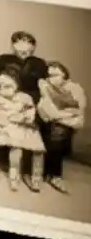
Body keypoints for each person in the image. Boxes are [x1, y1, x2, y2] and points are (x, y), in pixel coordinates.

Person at [0, 70, 46, 192]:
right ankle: (9, 174)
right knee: (10, 146)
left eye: (8, 86)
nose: (3, 89)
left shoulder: (24, 98)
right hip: (0, 123)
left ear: (17, 85)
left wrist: (26, 118)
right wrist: (1, 121)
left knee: (38, 149)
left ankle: (36, 178)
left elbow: (30, 113)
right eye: (1, 86)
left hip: (21, 125)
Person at [37, 62, 86, 193]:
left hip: (67, 122)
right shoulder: (45, 86)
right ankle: (53, 174)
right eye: (49, 75)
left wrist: (62, 116)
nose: (52, 78)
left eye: (56, 75)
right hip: (52, 121)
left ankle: (52, 174)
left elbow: (79, 110)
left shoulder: (75, 88)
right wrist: (65, 114)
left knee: (59, 131)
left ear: (64, 74)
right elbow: (47, 110)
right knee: (56, 131)